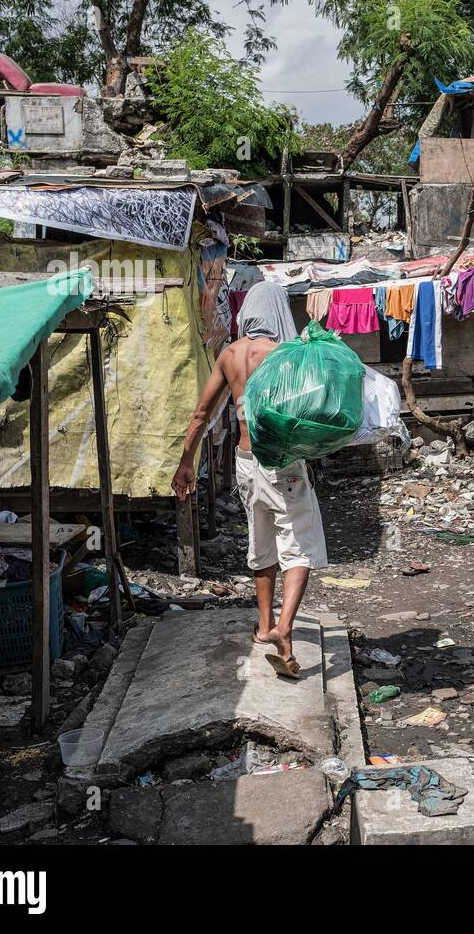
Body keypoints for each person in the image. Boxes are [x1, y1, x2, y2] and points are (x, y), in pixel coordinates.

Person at [173, 282, 328, 679]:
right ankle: (285, 630)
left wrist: (186, 463)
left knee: (260, 542)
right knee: (299, 545)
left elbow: (201, 413)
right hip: (282, 463)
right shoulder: (285, 356)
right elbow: (308, 409)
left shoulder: (229, 354)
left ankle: (263, 626)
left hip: (246, 461)